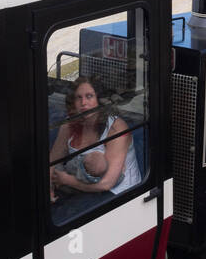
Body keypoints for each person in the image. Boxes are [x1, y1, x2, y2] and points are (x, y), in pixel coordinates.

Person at [50, 76, 141, 207]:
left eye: (89, 96)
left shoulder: (116, 128)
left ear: (99, 100)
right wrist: (49, 189)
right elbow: (52, 161)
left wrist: (66, 180)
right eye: (78, 98)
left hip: (118, 195)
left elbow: (107, 183)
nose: (83, 103)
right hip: (82, 187)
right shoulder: (69, 125)